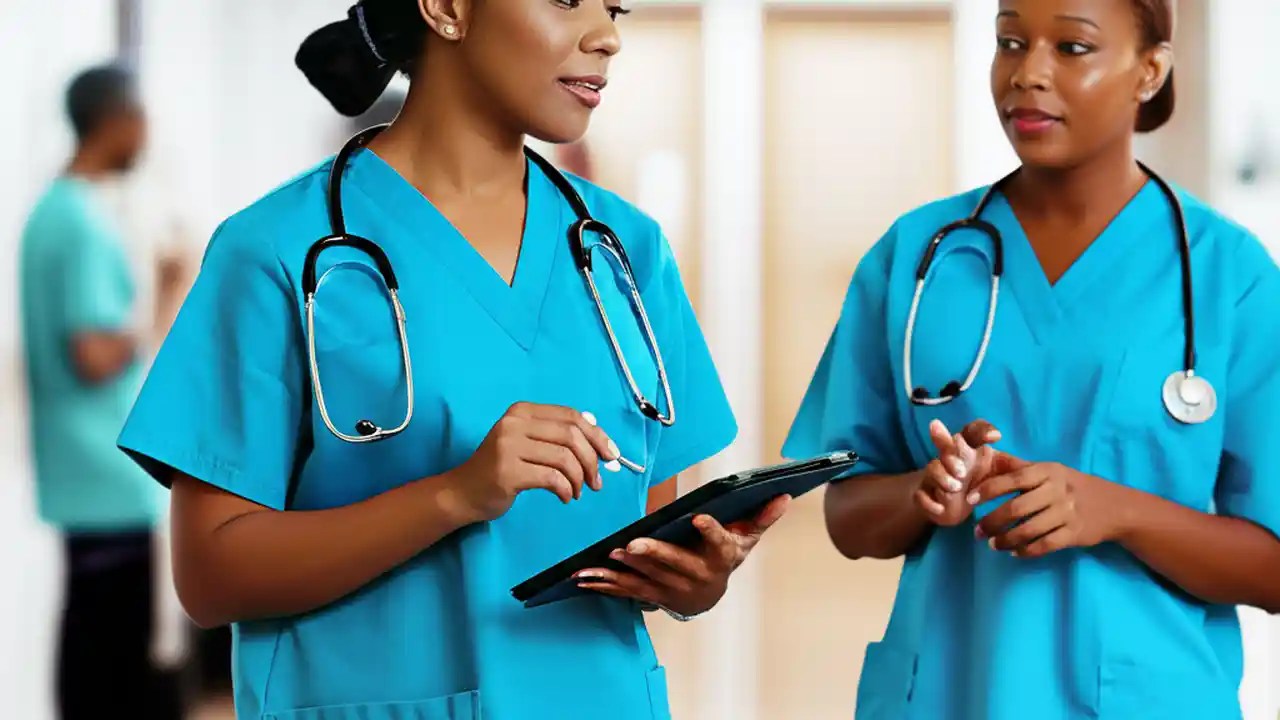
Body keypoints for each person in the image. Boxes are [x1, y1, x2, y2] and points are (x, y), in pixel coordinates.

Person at [116, 1, 787, 719]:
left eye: (615, 7)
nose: (608, 36)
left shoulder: (626, 252)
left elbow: (652, 531)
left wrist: (694, 581)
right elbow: (211, 575)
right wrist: (454, 496)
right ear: (447, 9)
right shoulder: (276, 250)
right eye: (568, 0)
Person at [784, 1, 1280, 718]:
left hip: (1150, 698)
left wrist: (1116, 512)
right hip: (951, 693)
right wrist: (924, 494)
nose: (1027, 74)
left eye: (1072, 47)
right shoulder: (918, 255)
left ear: (1151, 70)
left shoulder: (1229, 275)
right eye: (1010, 43)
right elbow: (847, 515)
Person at [18, 64, 188, 719]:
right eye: (139, 118)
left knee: (89, 644)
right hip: (108, 475)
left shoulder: (49, 213)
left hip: (78, 472)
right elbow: (93, 355)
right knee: (113, 664)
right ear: (115, 122)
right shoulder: (82, 226)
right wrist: (169, 293)